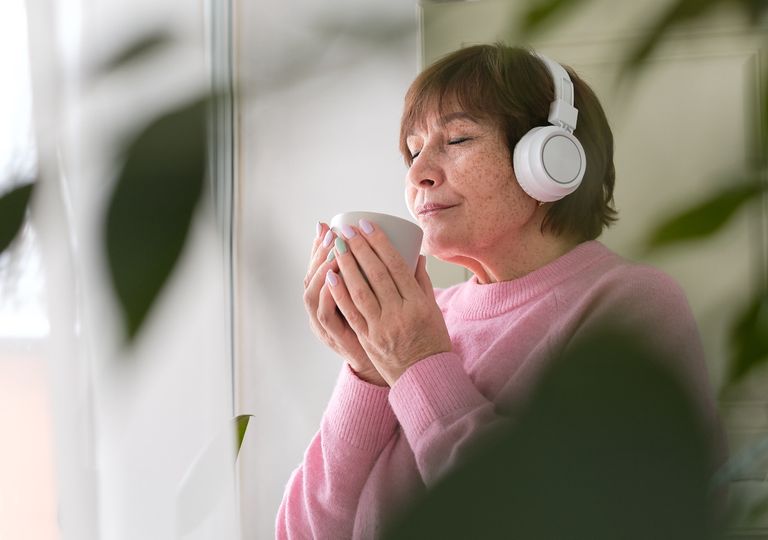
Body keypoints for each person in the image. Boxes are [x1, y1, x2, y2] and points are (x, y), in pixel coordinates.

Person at [278, 43, 724, 539]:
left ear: (552, 159)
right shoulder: (422, 319)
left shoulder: (631, 303)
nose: (417, 172)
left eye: (458, 138)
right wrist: (367, 371)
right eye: (412, 149)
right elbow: (304, 532)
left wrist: (416, 362)